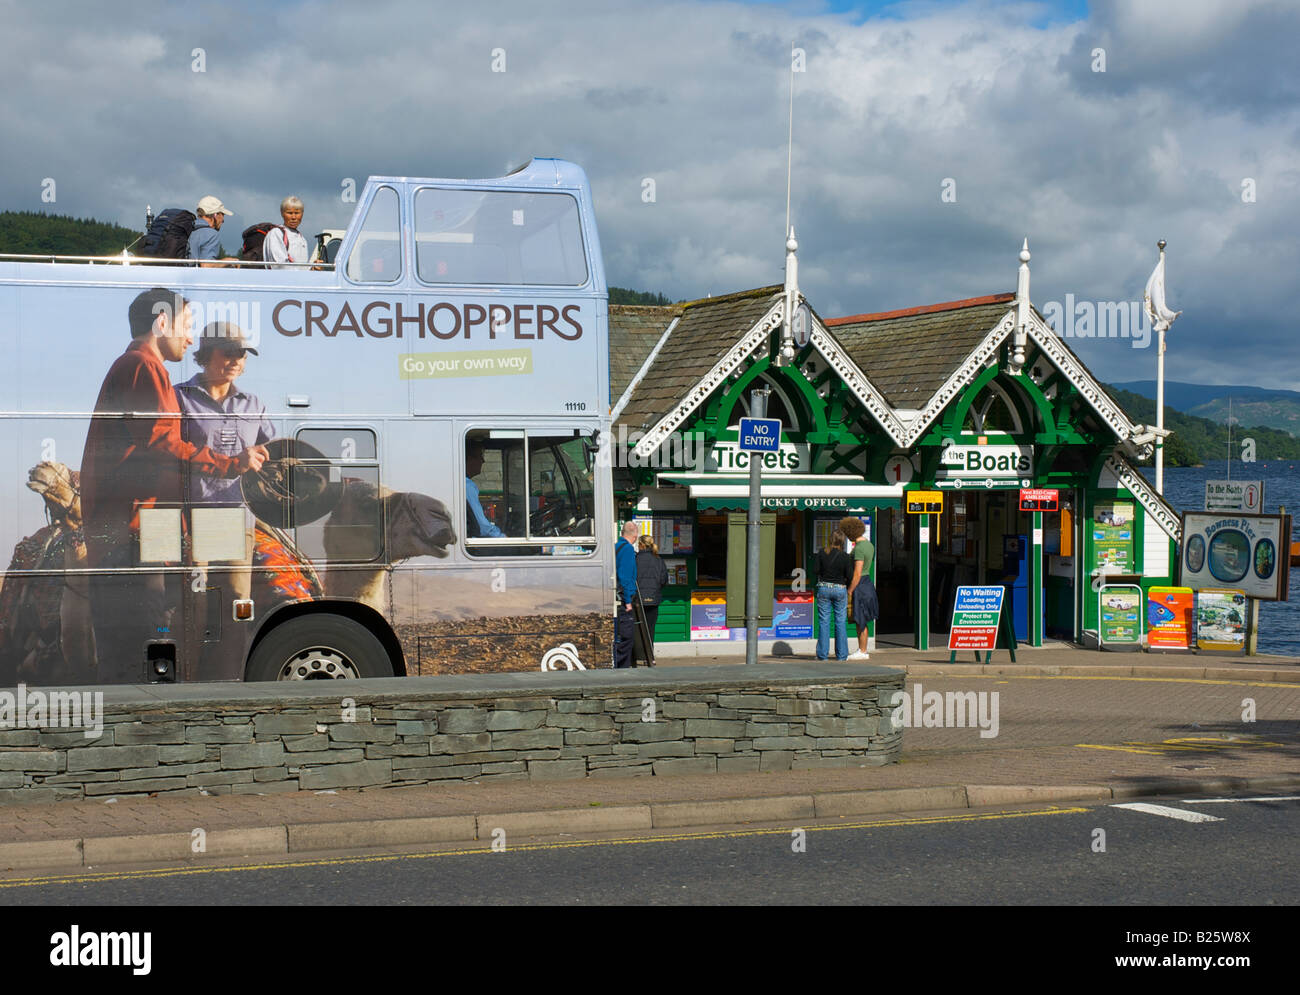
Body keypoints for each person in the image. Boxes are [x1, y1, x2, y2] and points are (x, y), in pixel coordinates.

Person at [80, 288, 268, 682]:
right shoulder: (145, 367)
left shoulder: (142, 368)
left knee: (184, 622)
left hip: (160, 523)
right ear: (161, 322)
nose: (188, 336)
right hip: (137, 525)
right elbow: (164, 442)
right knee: (155, 631)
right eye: (185, 327)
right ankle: (154, 721)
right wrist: (231, 464)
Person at [841, 516, 878, 661]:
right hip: (867, 583)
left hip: (860, 585)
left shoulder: (859, 549)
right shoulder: (869, 545)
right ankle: (862, 649)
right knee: (862, 619)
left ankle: (862, 651)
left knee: (860, 619)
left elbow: (857, 572)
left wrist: (850, 590)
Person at [813, 528, 852, 661]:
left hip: (824, 588)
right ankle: (841, 656)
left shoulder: (821, 553)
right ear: (842, 542)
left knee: (824, 621)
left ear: (830, 540)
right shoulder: (845, 556)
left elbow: (815, 570)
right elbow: (850, 576)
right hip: (840, 589)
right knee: (840, 622)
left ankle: (823, 655)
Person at [633, 535, 669, 665]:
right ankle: (650, 657)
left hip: (638, 600)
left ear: (641, 545)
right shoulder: (658, 560)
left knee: (637, 629)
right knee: (650, 629)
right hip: (653, 599)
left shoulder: (635, 559)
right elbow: (664, 579)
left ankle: (637, 657)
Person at [465, 440, 505, 538]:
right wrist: (502, 537)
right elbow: (483, 527)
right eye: (480, 456)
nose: (483, 461)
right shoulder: (467, 486)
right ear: (469, 459)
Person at [613, 522, 639, 668]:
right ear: (635, 535)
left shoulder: (617, 546)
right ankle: (622, 669)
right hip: (624, 599)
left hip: (616, 597)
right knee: (627, 637)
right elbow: (626, 577)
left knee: (620, 635)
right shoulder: (628, 549)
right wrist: (628, 600)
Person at [263, 196, 312, 268]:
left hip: (299, 278)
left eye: (297, 213)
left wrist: (312, 269)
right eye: (290, 213)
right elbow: (279, 266)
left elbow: (302, 268)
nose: (293, 217)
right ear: (282, 213)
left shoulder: (302, 238)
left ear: (302, 214)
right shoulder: (276, 233)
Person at [187, 195, 236, 267]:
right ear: (215, 215)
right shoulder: (211, 234)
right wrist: (230, 261)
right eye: (222, 214)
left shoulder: (188, 228)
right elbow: (206, 266)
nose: (223, 220)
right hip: (195, 277)